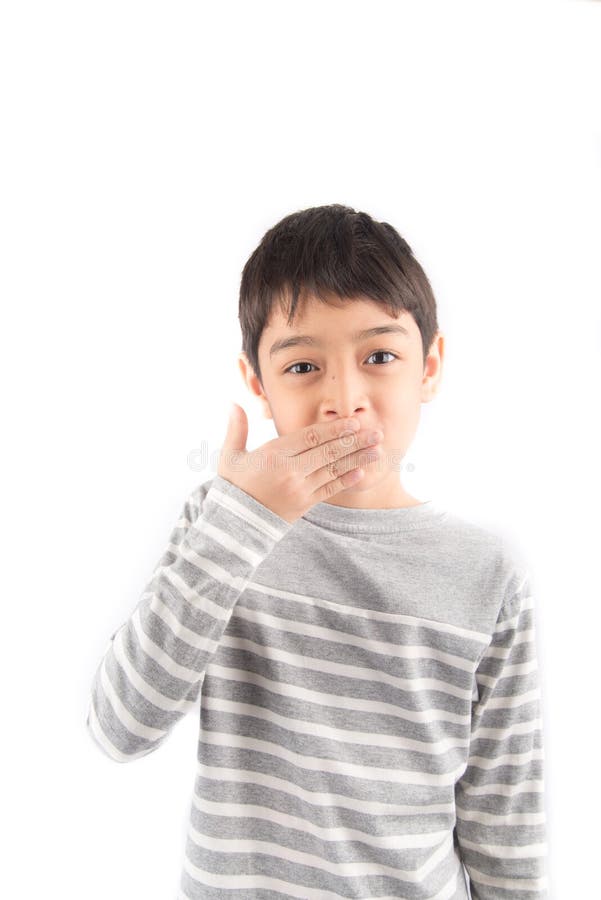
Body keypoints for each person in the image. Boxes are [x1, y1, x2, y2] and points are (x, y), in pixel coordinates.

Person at [86, 204, 549, 898]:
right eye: (302, 365)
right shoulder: (220, 527)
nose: (343, 398)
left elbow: (502, 821)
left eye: (380, 357)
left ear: (429, 367)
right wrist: (241, 521)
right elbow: (121, 728)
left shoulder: (485, 575)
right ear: (257, 384)